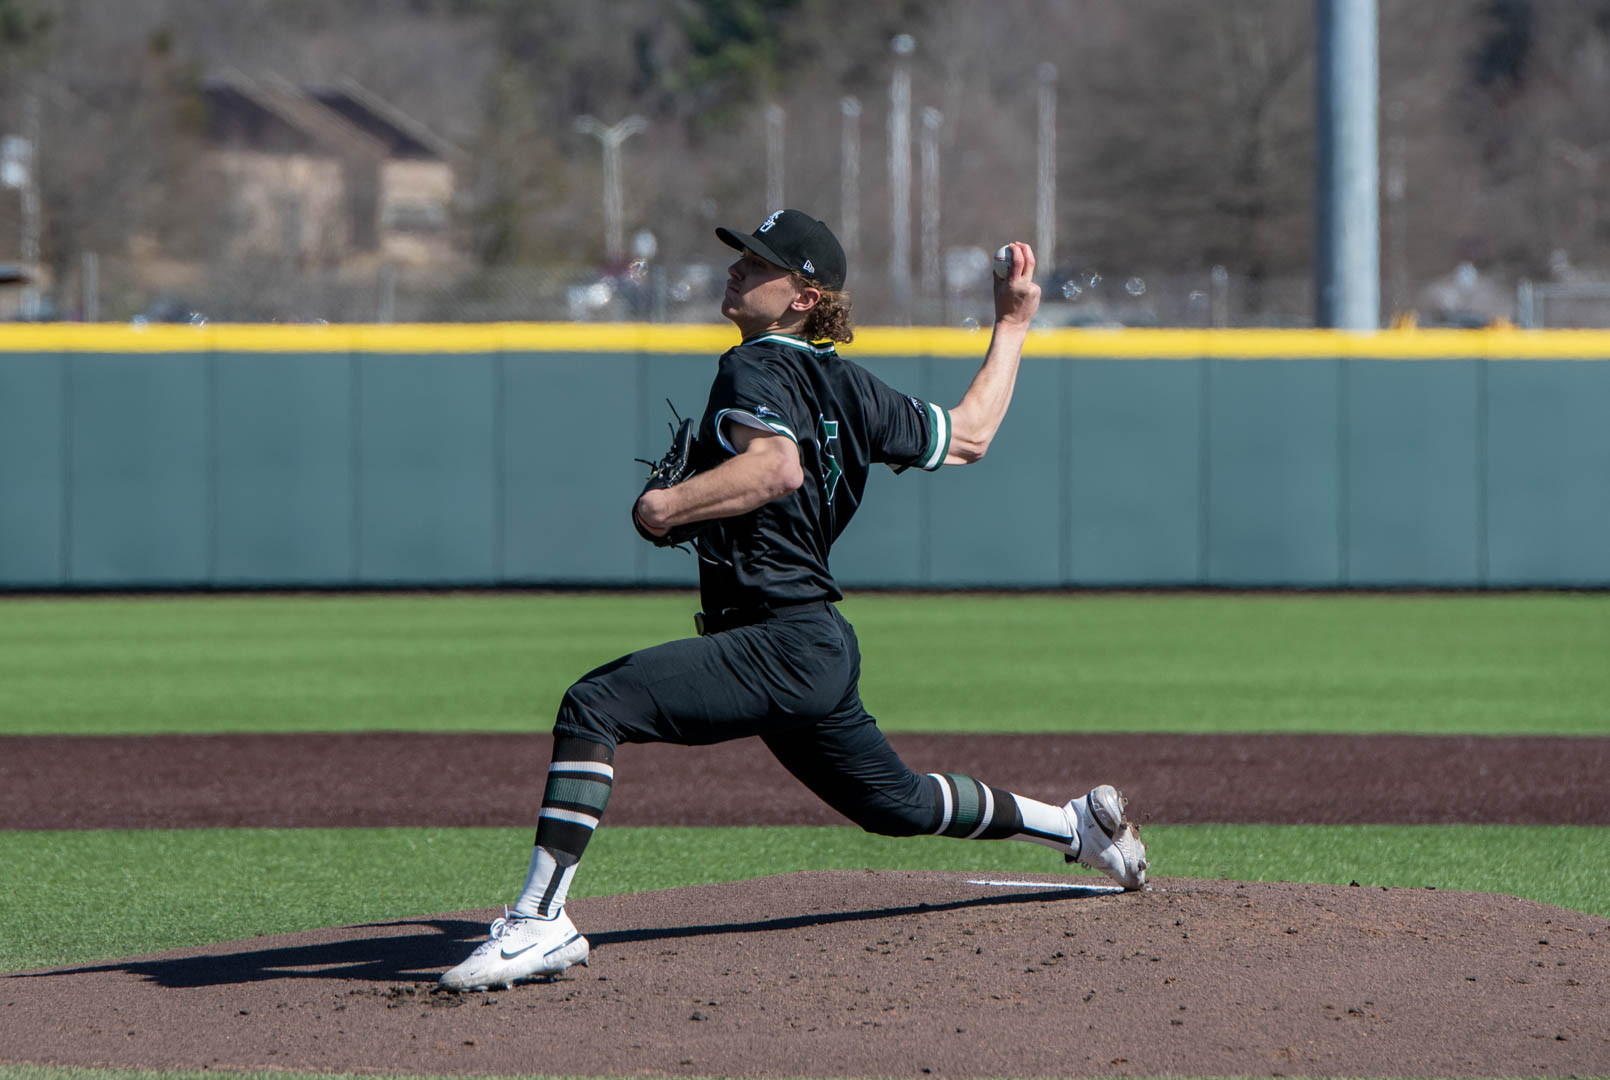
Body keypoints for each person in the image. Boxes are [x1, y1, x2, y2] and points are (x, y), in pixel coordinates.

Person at [439, 209, 1147, 992]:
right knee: (897, 804)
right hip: (811, 646)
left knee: (593, 706)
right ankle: (1076, 826)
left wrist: (664, 509)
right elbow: (971, 433)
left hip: (777, 640)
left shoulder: (755, 369)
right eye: (742, 254)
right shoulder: (851, 386)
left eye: (759, 262)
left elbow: (776, 469)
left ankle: (540, 920)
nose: (739, 267)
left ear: (804, 297)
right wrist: (1012, 324)